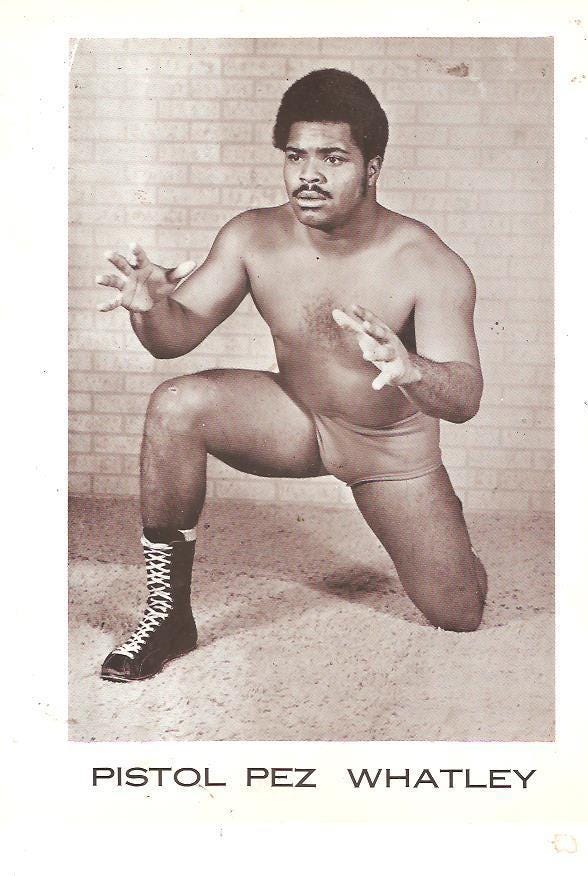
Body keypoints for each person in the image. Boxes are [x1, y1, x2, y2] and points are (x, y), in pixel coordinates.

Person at [95, 68, 488, 683]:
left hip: (388, 446)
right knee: (176, 404)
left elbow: (464, 398)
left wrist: (412, 368)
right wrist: (150, 309)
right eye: (296, 155)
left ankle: (451, 541)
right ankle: (168, 614)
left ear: (373, 167)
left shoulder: (425, 261)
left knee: (458, 612)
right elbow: (172, 341)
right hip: (296, 419)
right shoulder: (252, 235)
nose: (309, 175)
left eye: (333, 158)